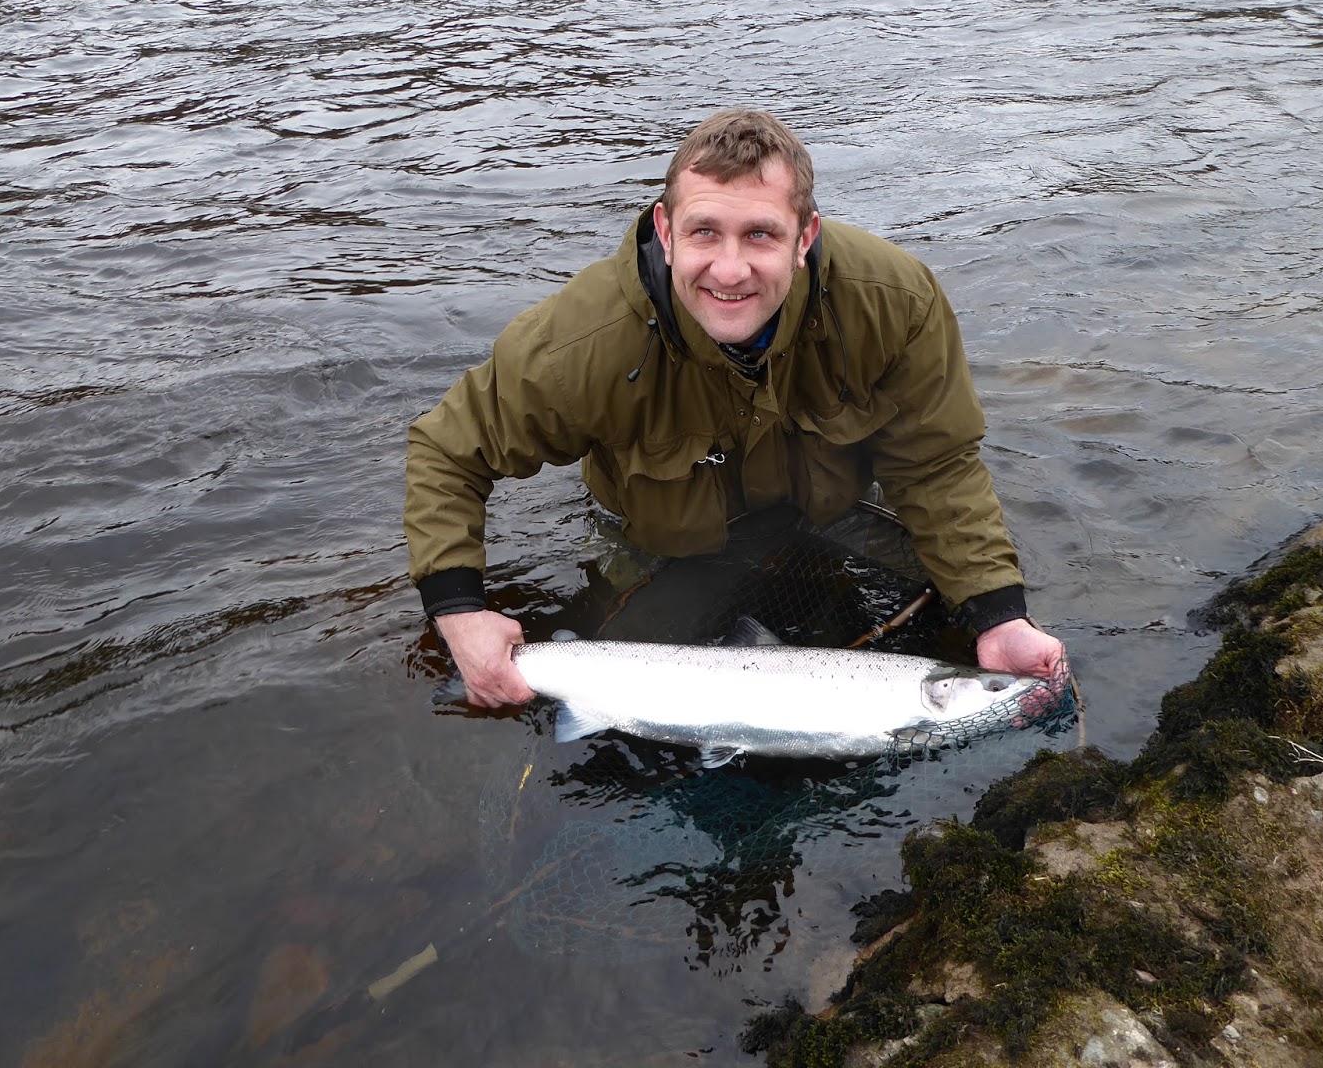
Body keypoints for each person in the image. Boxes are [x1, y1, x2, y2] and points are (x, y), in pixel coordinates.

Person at [405, 109, 1065, 707]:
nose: (728, 269)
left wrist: (997, 614)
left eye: (759, 235)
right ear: (665, 230)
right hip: (661, 538)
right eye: (704, 232)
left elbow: (937, 468)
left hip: (823, 514)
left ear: (806, 236)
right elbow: (448, 454)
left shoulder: (895, 305)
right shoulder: (584, 342)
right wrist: (459, 612)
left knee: (959, 607)